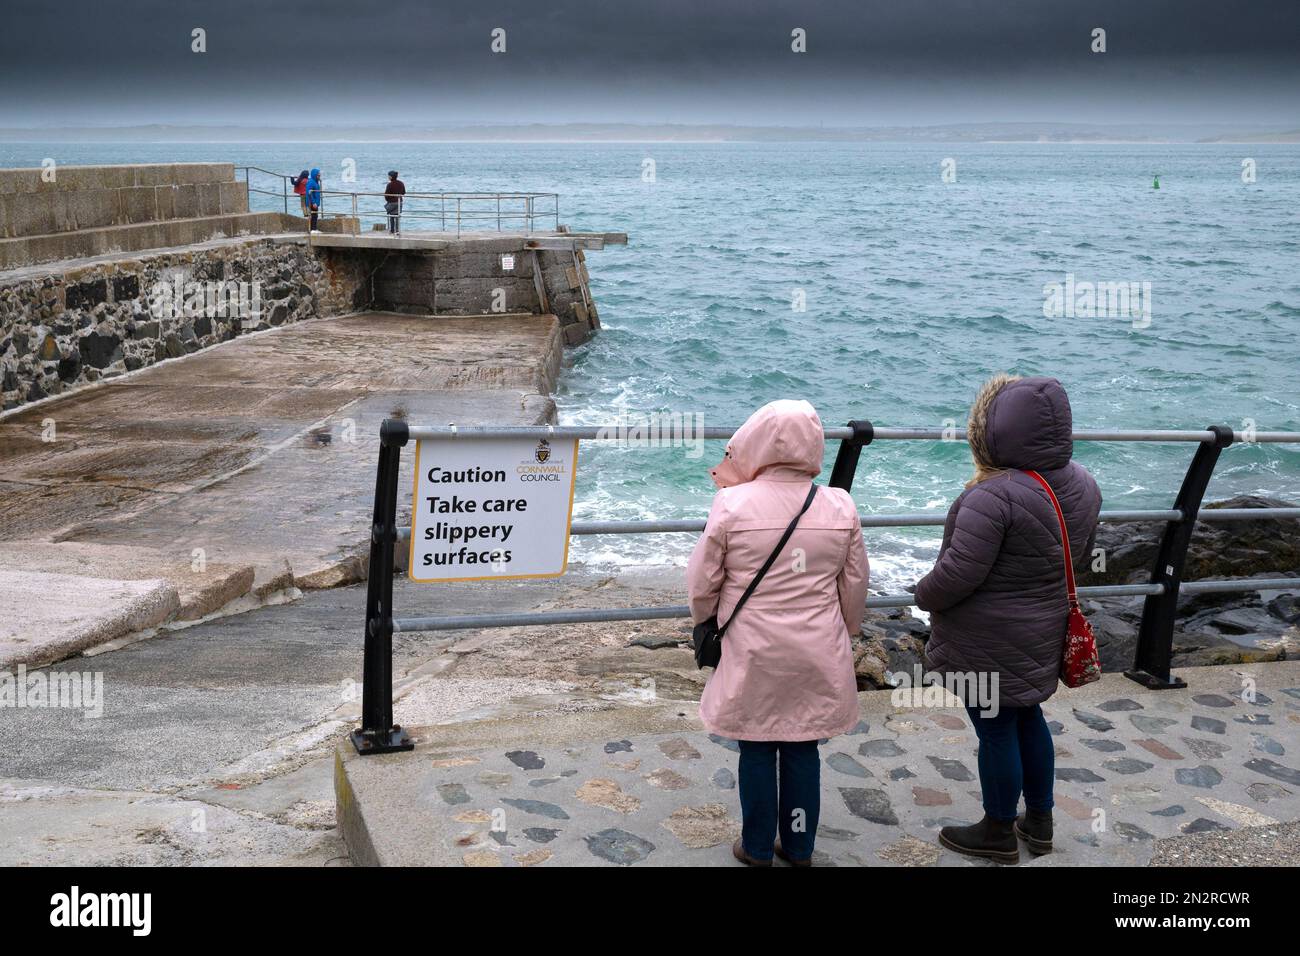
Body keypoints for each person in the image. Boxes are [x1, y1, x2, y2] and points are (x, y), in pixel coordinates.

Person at [914, 375, 1101, 864]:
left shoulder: (992, 495)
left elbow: (958, 574)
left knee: (995, 727)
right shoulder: (1082, 482)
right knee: (1028, 718)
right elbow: (1077, 553)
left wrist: (921, 594)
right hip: (1045, 626)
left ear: (991, 429)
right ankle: (1039, 821)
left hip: (986, 638)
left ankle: (997, 830)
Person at [687, 399, 868, 867]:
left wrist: (705, 622)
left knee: (757, 745)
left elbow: (703, 581)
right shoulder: (839, 504)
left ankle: (756, 845)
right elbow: (854, 583)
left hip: (753, 646)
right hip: (816, 647)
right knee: (804, 746)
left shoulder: (730, 504)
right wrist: (845, 631)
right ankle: (800, 846)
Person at [384, 170, 406, 235]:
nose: (388, 177)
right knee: (397, 216)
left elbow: (386, 195)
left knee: (391, 216)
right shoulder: (401, 183)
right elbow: (403, 192)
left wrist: (388, 200)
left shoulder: (390, 184)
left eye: (388, 176)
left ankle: (392, 230)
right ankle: (397, 231)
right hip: (399, 201)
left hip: (392, 202)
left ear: (391, 177)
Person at [304, 168, 322, 233]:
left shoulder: (315, 182)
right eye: (318, 175)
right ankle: (312, 229)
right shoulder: (311, 182)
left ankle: (314, 229)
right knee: (313, 216)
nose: (319, 176)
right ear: (315, 175)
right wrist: (313, 202)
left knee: (315, 215)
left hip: (315, 203)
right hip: (312, 203)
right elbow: (309, 192)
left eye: (319, 175)